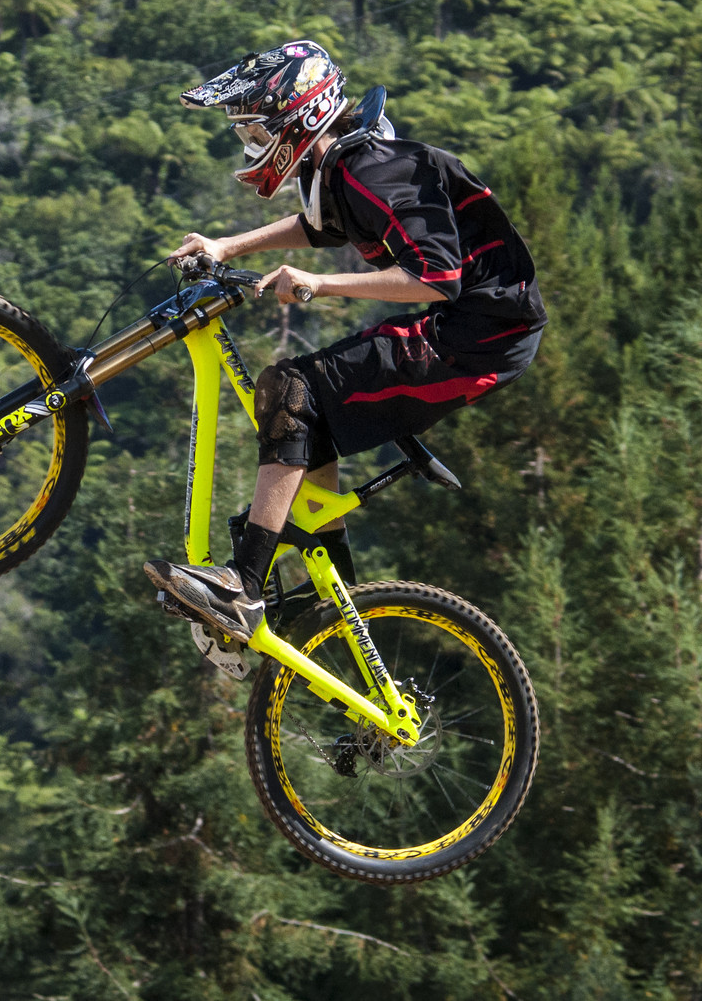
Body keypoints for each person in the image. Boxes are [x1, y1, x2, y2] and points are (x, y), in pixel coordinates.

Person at [144, 40, 546, 646]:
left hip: (482, 333)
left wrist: (318, 285)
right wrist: (226, 246)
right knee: (310, 417)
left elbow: (436, 279)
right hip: (475, 326)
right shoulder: (345, 165)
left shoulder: (375, 167)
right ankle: (331, 603)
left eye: (255, 130)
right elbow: (323, 225)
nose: (250, 146)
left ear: (298, 118)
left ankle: (243, 587)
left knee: (291, 387)